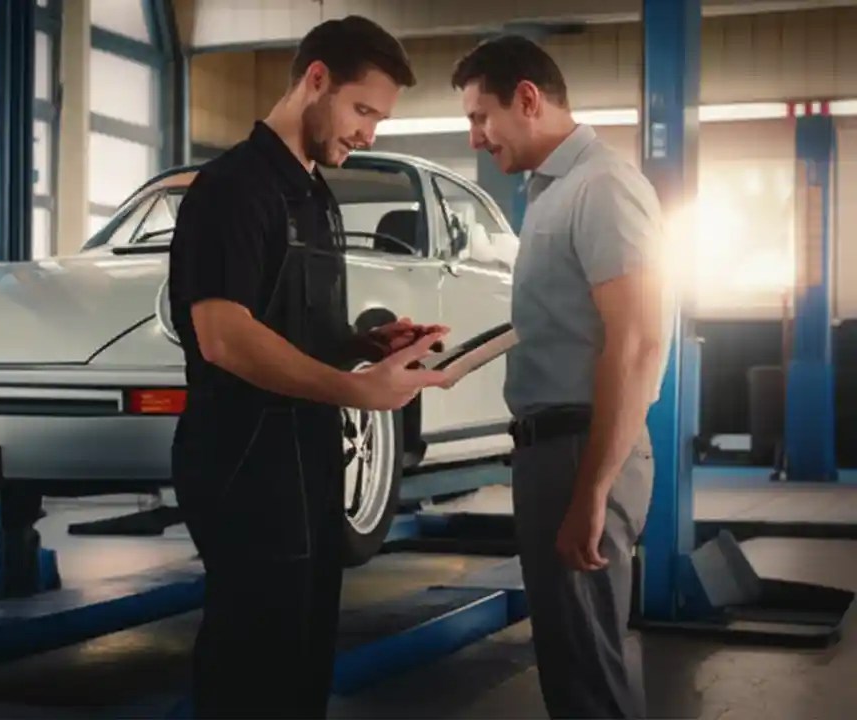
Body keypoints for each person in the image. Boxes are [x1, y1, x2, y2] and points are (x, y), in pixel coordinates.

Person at [167, 15, 453, 719]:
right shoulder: (233, 189)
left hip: (308, 464)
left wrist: (370, 343)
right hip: (244, 463)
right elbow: (224, 336)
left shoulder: (316, 194)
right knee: (251, 670)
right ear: (315, 80)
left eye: (379, 119)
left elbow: (297, 326)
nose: (368, 133)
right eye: (362, 111)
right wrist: (355, 388)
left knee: (302, 665)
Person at [450, 35, 673, 719]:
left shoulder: (601, 186)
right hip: (554, 449)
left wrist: (592, 491)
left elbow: (636, 342)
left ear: (527, 98)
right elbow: (560, 326)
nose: (476, 139)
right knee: (570, 665)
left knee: (587, 675)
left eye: (480, 117)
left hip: (583, 448)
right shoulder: (549, 194)